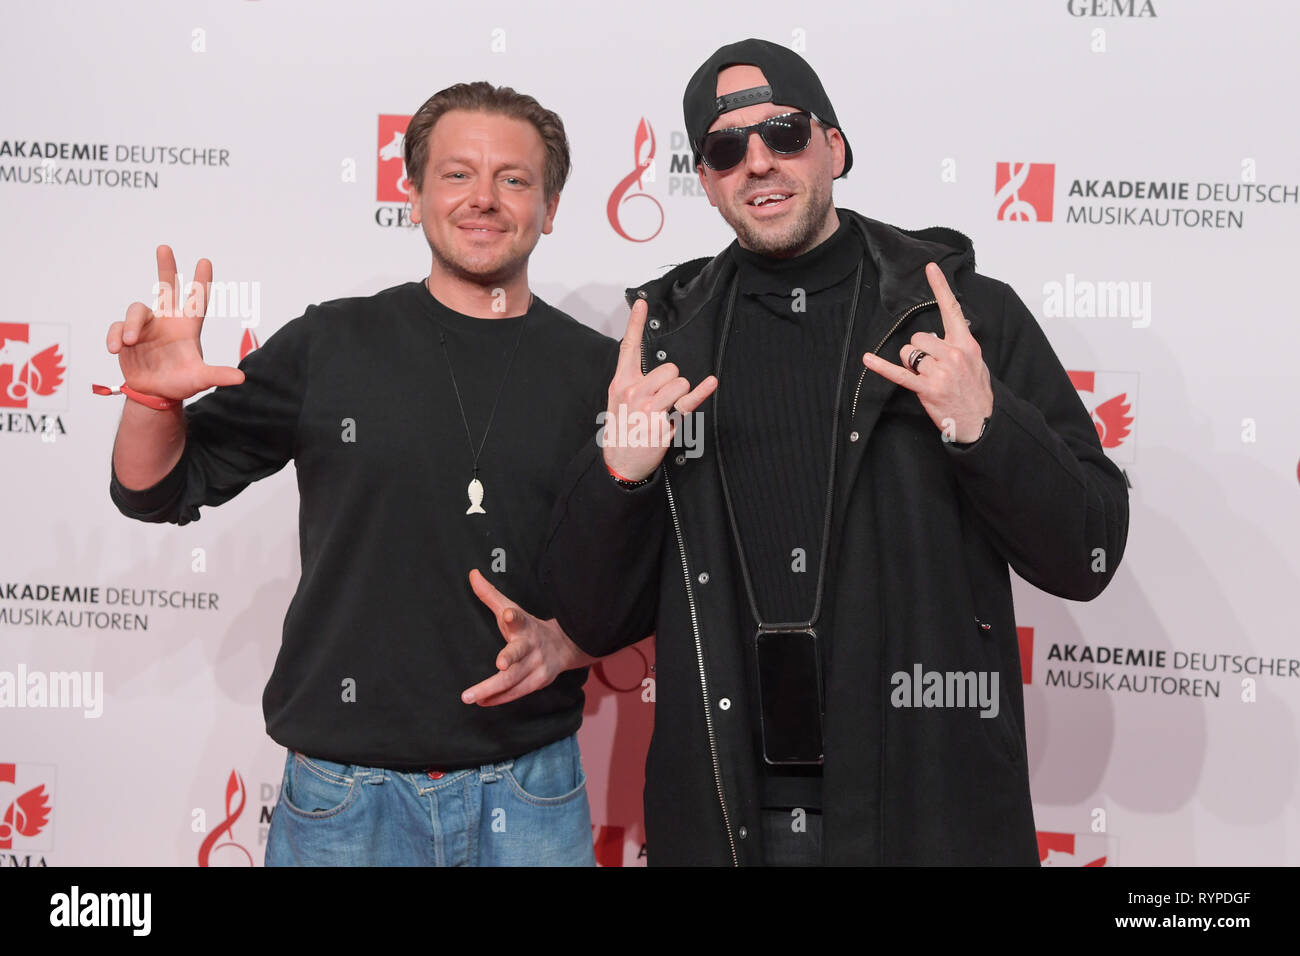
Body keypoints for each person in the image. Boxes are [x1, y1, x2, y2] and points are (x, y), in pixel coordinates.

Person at [543, 39, 1130, 866]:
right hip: (728, 817)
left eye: (785, 132)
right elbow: (596, 618)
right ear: (707, 183)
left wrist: (984, 427)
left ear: (835, 147)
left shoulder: (961, 317)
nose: (758, 162)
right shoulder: (667, 346)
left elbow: (1088, 551)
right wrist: (619, 478)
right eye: (724, 148)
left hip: (927, 811)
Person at [103, 82, 618, 866]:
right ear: (411, 196)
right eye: (456, 175)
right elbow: (156, 489)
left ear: (549, 208)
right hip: (343, 799)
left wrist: (571, 645)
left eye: (513, 179)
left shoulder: (599, 372)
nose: (483, 198)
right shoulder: (332, 342)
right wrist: (148, 397)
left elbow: (649, 568)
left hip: (531, 791)